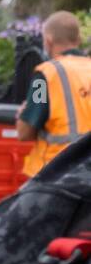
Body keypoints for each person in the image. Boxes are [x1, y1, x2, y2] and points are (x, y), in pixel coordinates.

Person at [17, 10, 90, 177]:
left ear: (48, 41)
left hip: (55, 175)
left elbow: (25, 131)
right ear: (78, 40)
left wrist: (23, 114)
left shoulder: (43, 77)